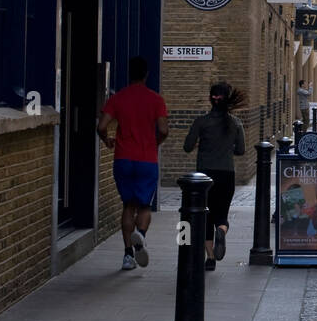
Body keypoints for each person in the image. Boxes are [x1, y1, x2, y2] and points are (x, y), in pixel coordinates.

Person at [97, 56, 169, 271]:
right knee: (145, 206)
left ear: (129, 74)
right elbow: (163, 130)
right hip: (147, 160)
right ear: (146, 74)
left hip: (123, 159)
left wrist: (107, 140)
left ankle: (128, 255)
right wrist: (155, 143)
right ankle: (141, 235)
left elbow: (101, 126)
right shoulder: (156, 100)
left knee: (128, 205)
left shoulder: (118, 98)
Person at [183, 82, 247, 271]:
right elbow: (241, 150)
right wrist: (226, 148)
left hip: (204, 177)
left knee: (206, 217)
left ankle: (210, 258)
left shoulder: (201, 122)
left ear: (211, 99)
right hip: (226, 174)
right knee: (222, 214)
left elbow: (187, 146)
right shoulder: (236, 123)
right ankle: (222, 230)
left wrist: (201, 144)